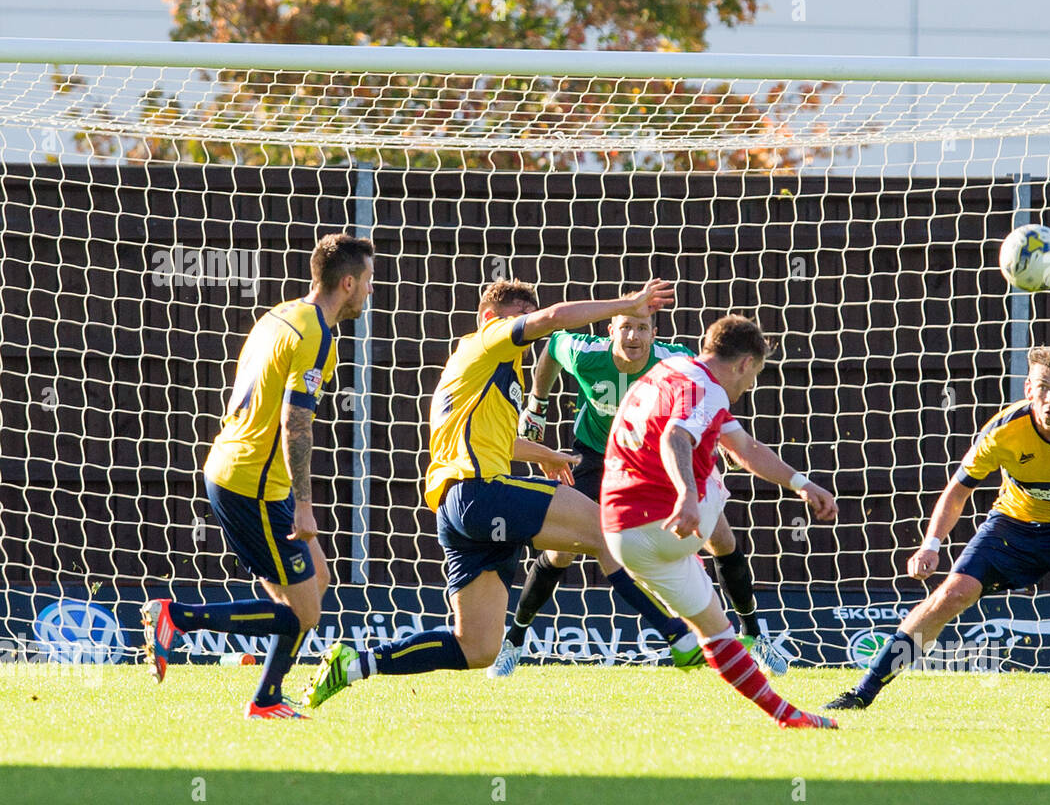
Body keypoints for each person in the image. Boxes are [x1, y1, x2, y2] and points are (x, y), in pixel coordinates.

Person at [301, 278, 681, 707]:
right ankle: (679, 638)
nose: (525, 330)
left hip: (456, 509)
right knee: (604, 529)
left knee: (477, 647)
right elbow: (553, 320)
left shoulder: (479, 372)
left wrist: (545, 453)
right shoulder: (486, 345)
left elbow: (493, 441)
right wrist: (630, 303)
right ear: (489, 319)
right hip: (481, 493)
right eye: (518, 321)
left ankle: (355, 663)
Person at [824, 344, 1050, 711]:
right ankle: (861, 693)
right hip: (1014, 526)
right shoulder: (1002, 432)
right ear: (1028, 390)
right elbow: (956, 492)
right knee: (950, 595)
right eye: (1043, 387)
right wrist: (930, 544)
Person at [142, 233, 375, 719]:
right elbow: (295, 421)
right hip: (253, 483)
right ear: (348, 283)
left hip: (237, 469)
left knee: (318, 582)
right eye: (369, 281)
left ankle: (267, 697)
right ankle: (176, 617)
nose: (371, 292)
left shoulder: (280, 314)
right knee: (304, 613)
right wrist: (305, 506)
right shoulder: (318, 335)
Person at [490, 301, 781, 677]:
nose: (633, 336)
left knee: (721, 537)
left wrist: (713, 444)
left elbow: (699, 397)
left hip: (649, 456)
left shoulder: (673, 358)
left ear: (654, 335)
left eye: (642, 328)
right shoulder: (585, 353)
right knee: (561, 552)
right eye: (625, 327)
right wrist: (536, 405)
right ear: (610, 331)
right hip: (594, 456)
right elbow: (553, 346)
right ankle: (513, 641)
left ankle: (755, 636)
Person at [600, 314, 838, 728]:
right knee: (709, 459)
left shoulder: (670, 368)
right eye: (755, 374)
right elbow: (676, 436)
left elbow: (744, 445)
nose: (750, 385)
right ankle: (703, 546)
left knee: (717, 632)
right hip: (670, 520)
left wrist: (800, 483)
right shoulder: (709, 391)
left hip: (622, 535)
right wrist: (688, 496)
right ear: (745, 363)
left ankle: (788, 716)